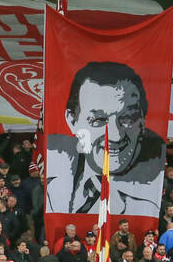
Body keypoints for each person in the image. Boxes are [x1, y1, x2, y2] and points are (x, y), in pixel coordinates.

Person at [46, 62, 164, 216]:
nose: (115, 135)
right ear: (72, 121)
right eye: (98, 120)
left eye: (127, 118)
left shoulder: (148, 207)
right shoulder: (50, 189)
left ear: (142, 121)